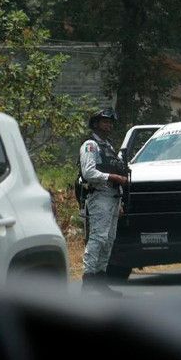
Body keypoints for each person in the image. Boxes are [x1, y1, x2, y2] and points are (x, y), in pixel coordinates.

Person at [79, 108, 128, 296]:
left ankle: (100, 280)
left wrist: (120, 199)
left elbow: (120, 174)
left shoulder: (108, 146)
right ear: (96, 124)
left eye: (110, 122)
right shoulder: (91, 145)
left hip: (113, 198)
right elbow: (89, 173)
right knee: (98, 238)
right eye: (105, 121)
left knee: (109, 240)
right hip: (99, 196)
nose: (109, 125)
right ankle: (88, 281)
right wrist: (113, 177)